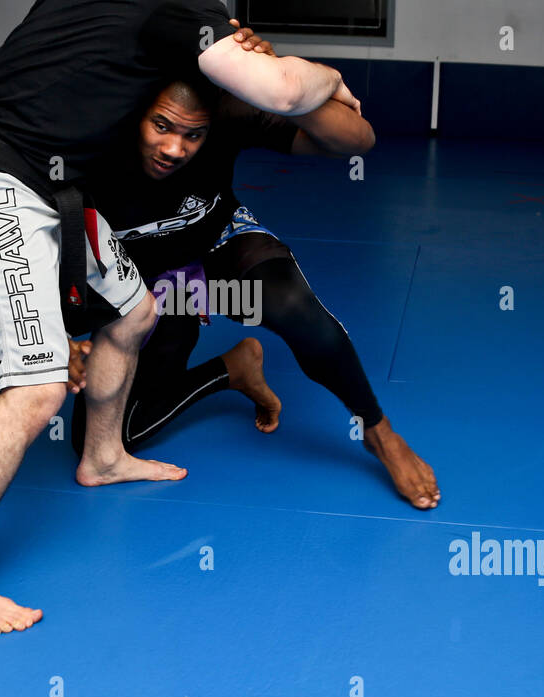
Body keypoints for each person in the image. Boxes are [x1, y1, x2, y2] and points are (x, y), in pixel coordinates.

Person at [0, 0, 364, 634]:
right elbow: (285, 92)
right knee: (33, 392)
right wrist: (328, 74)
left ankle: (103, 456)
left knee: (135, 310)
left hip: (47, 191)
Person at [67, 31, 440, 509]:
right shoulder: (92, 143)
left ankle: (380, 434)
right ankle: (233, 369)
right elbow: (48, 240)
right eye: (161, 126)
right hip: (155, 290)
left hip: (219, 252)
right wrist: (66, 335)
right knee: (101, 439)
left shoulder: (229, 112)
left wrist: (280, 83)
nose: (175, 149)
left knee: (293, 308)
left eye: (193, 135)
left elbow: (357, 139)